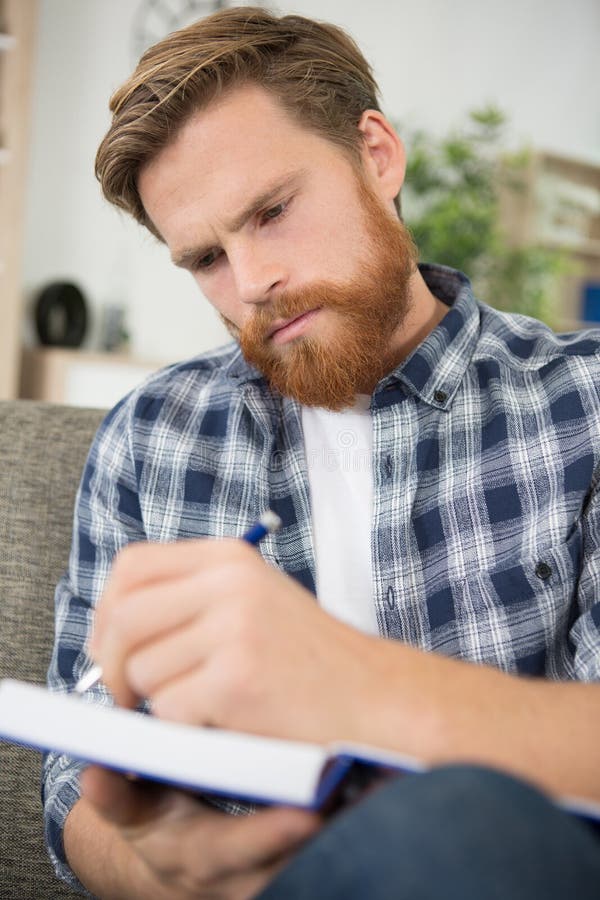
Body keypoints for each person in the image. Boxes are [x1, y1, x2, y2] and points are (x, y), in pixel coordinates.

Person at [43, 6, 600, 898]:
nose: (252, 281)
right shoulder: (150, 438)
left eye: (271, 211)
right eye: (206, 258)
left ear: (377, 156)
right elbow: (75, 775)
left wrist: (343, 682)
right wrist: (162, 875)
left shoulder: (585, 402)